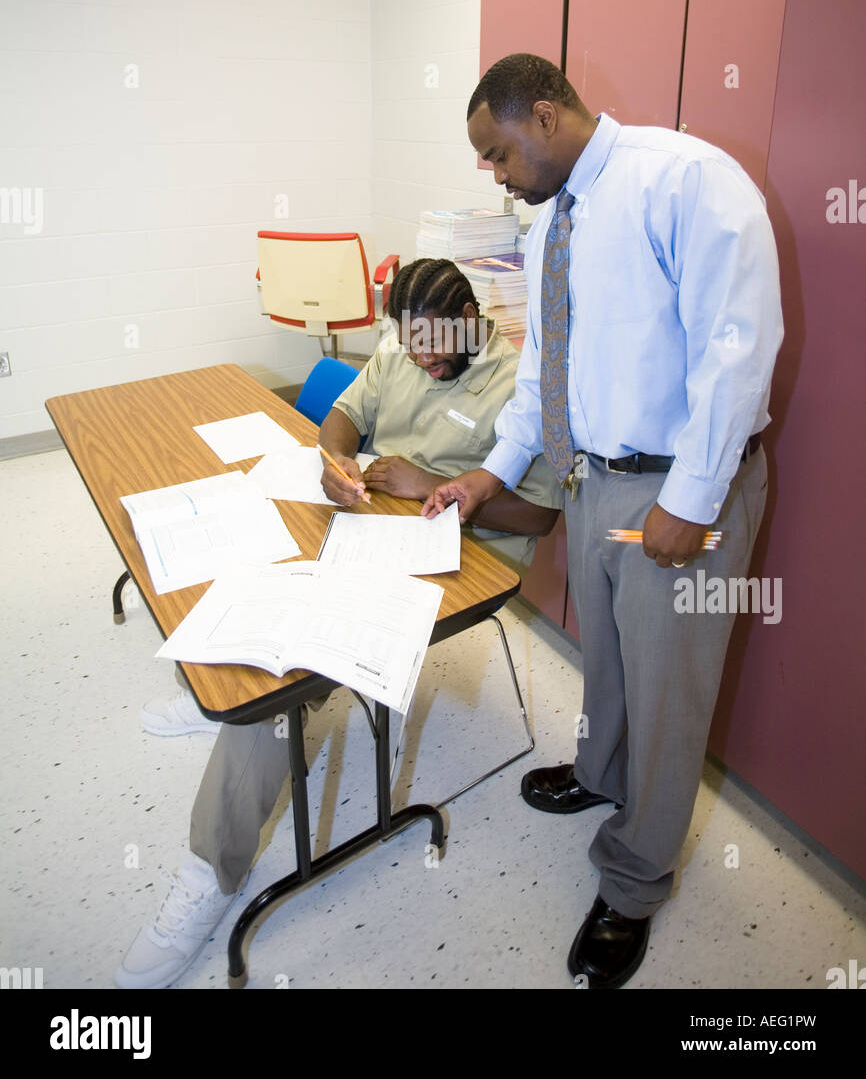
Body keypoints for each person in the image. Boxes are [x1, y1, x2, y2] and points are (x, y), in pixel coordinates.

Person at [422, 53, 784, 989]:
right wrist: (487, 476)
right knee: (612, 658)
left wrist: (692, 504)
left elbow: (738, 352)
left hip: (680, 491)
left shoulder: (686, 181)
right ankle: (601, 773)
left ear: (544, 117)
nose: (493, 176)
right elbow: (546, 371)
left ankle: (634, 880)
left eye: (496, 154)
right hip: (594, 481)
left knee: (669, 690)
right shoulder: (554, 229)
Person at [116, 258, 562, 989]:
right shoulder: (403, 345)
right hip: (374, 522)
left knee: (295, 660)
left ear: (470, 322)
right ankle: (229, 680)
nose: (418, 358)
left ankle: (208, 873)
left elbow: (542, 513)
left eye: (432, 349)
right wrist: (335, 459)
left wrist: (432, 485)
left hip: (459, 559)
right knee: (260, 552)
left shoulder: (519, 382)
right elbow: (347, 414)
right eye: (408, 344)